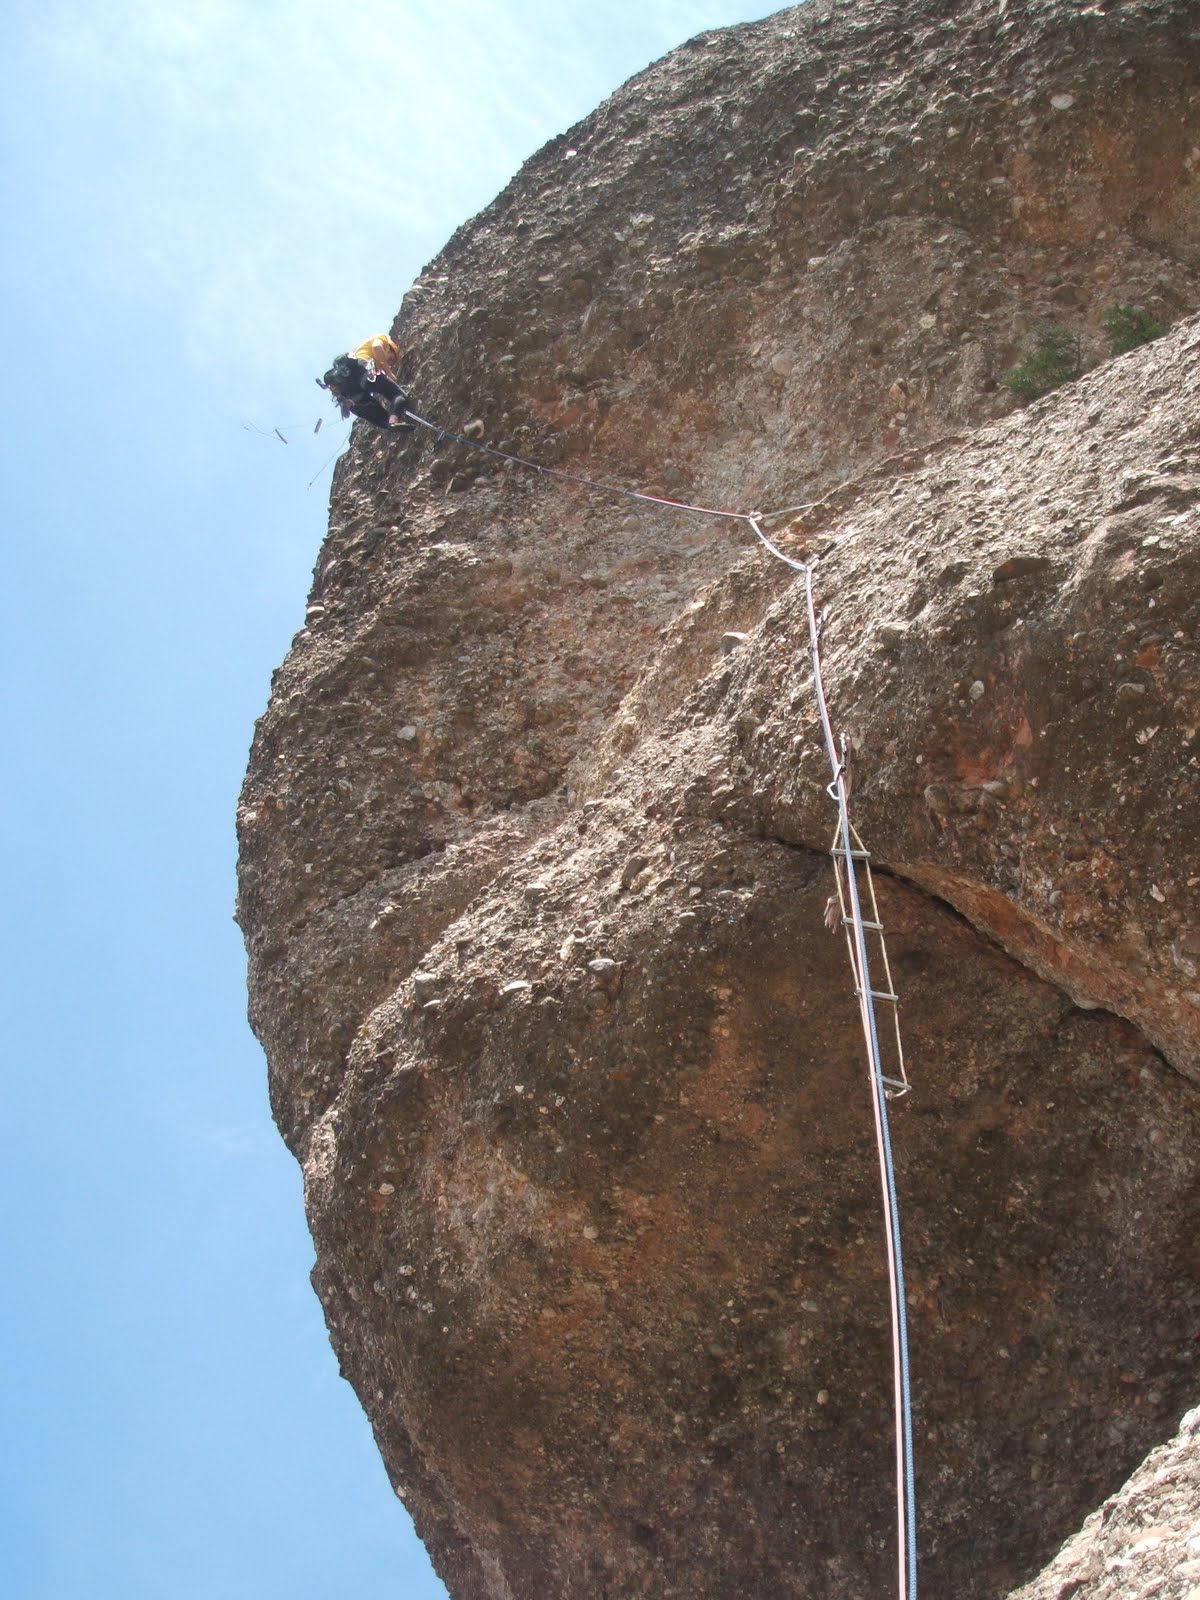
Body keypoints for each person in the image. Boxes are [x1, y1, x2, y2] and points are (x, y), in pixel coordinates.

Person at [318, 333, 414, 430]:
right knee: (398, 395)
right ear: (389, 349)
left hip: (350, 389)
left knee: (380, 417)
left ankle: (389, 425)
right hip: (363, 372)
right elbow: (376, 346)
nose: (389, 363)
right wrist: (388, 372)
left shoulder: (354, 355)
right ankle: (393, 421)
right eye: (391, 359)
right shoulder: (382, 339)